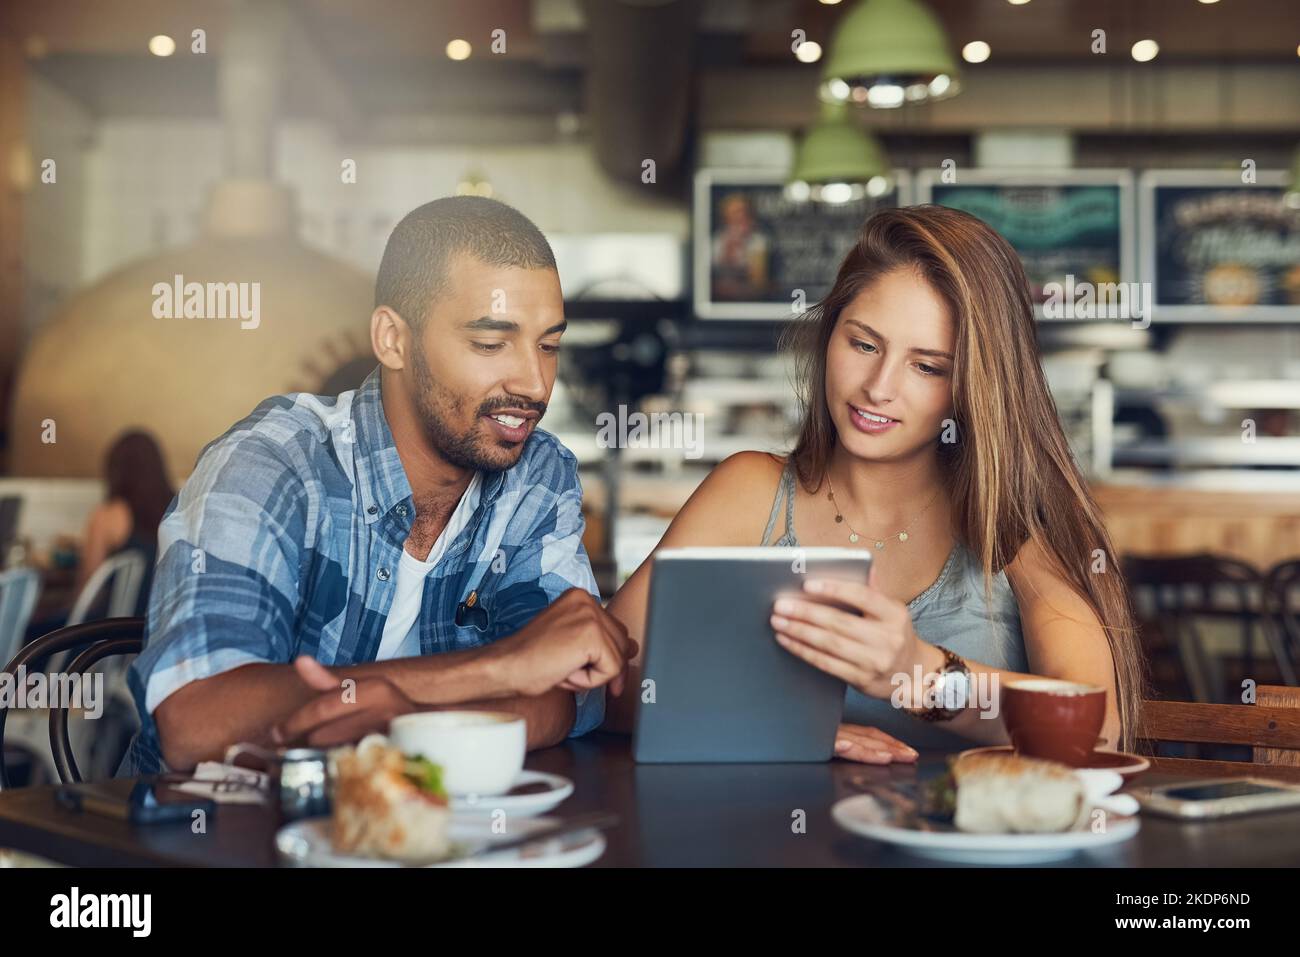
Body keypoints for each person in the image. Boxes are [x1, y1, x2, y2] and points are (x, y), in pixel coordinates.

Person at [604, 205, 1145, 763]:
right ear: (830, 333)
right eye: (863, 344)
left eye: (928, 367)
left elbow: (1096, 730)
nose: (879, 388)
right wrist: (779, 729)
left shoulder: (1010, 520)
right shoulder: (751, 491)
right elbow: (604, 684)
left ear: (975, 386)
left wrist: (918, 676)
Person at [121, 196, 635, 775]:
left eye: (549, 345)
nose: (536, 384)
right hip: (216, 842)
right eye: (491, 344)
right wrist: (496, 670)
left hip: (435, 839)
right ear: (393, 339)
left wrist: (404, 710)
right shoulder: (272, 463)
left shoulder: (538, 474)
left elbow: (567, 693)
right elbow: (195, 723)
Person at [75, 430, 174, 618]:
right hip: (158, 630)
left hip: (106, 637)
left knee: (27, 630)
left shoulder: (110, 514)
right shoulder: (177, 510)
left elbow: (87, 592)